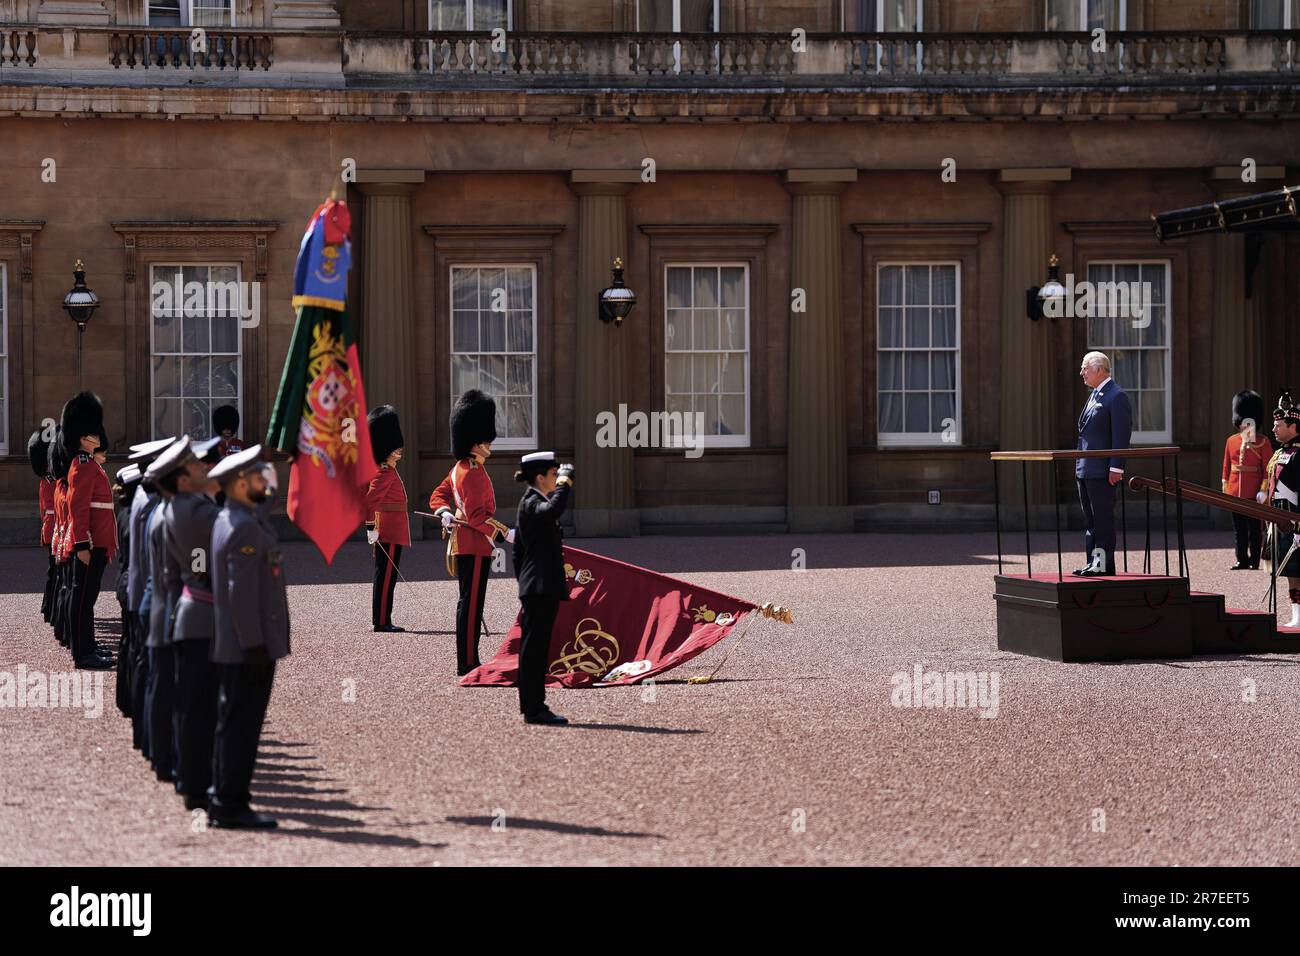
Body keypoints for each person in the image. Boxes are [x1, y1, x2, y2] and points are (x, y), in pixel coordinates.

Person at [209, 445, 289, 829]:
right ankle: (230, 802)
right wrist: (254, 642)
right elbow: (241, 593)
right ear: (241, 483)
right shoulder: (242, 526)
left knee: (235, 721)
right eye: (258, 477)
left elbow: (265, 505)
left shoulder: (234, 516)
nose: (265, 482)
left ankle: (225, 797)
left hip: (237, 642)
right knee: (242, 725)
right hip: (247, 645)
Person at [151, 436, 222, 811]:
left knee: (193, 703)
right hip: (199, 617)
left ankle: (190, 776)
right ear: (182, 479)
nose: (204, 468)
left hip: (186, 614)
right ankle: (196, 784)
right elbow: (200, 567)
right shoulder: (192, 513)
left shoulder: (185, 506)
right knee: (199, 705)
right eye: (196, 466)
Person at [429, 390, 509, 675]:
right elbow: (477, 517)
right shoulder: (472, 471)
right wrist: (504, 533)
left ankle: (469, 657)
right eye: (486, 440)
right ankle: (467, 661)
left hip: (467, 542)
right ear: (476, 442)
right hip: (475, 544)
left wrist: (443, 511)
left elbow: (437, 496)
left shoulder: (460, 468)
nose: (490, 444)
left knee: (470, 601)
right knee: (471, 603)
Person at [512, 452, 574, 726]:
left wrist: (524, 582)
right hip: (539, 587)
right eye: (553, 474)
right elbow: (553, 511)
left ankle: (534, 706)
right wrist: (565, 484)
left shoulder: (534, 501)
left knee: (535, 650)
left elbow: (517, 553)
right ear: (541, 477)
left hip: (537, 586)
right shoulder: (532, 502)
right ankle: (534, 708)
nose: (556, 478)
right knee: (534, 652)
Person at [126, 437, 177, 759]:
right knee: (157, 676)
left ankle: (150, 740)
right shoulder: (154, 507)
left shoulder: (148, 502)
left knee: (149, 670)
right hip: (156, 598)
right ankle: (157, 748)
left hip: (148, 595)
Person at [62, 393, 116, 670]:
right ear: (84, 437)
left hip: (97, 543)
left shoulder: (91, 465)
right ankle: (83, 654)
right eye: (93, 431)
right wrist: (82, 543)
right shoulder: (82, 466)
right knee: (83, 598)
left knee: (88, 597)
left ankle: (89, 645)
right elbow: (78, 507)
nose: (98, 436)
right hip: (89, 544)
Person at [1074, 351, 1132, 576]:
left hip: (1102, 471)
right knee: (1091, 520)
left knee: (1102, 521)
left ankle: (1103, 564)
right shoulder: (1095, 394)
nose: (1081, 373)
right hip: (1086, 469)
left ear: (1098, 369)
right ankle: (1093, 562)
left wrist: (1116, 467)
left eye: (1084, 368)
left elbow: (1121, 435)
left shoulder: (1116, 396)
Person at [364, 405, 410, 633]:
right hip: (389, 531)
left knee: (387, 578)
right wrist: (372, 527)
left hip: (393, 529)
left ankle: (383, 618)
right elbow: (370, 501)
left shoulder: (388, 469)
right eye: (394, 446)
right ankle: (382, 621)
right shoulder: (384, 471)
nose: (399, 449)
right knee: (385, 578)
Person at [1261, 391, 1300, 627]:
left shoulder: (1298, 455)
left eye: (1278, 425)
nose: (1274, 429)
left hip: (1295, 523)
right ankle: (1297, 614)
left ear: (1293, 426)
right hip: (1280, 522)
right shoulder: (1280, 453)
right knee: (1291, 574)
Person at [1222, 390, 1273, 571]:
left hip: (1253, 493)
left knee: (1254, 530)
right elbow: (1226, 468)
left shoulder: (1263, 442)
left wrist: (1263, 489)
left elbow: (1268, 469)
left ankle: (1254, 561)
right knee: (1239, 530)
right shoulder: (1231, 441)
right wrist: (1226, 491)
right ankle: (1241, 560)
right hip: (1236, 492)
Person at [113, 463, 143, 720]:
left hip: (125, 582)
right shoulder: (134, 516)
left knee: (128, 642)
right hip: (135, 583)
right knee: (136, 645)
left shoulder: (125, 513)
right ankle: (132, 697)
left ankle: (125, 696)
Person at [28, 429, 57, 625]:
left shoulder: (47, 480)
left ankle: (49, 606)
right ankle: (49, 607)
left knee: (54, 571)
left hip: (52, 528)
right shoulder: (50, 481)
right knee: (55, 572)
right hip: (55, 529)